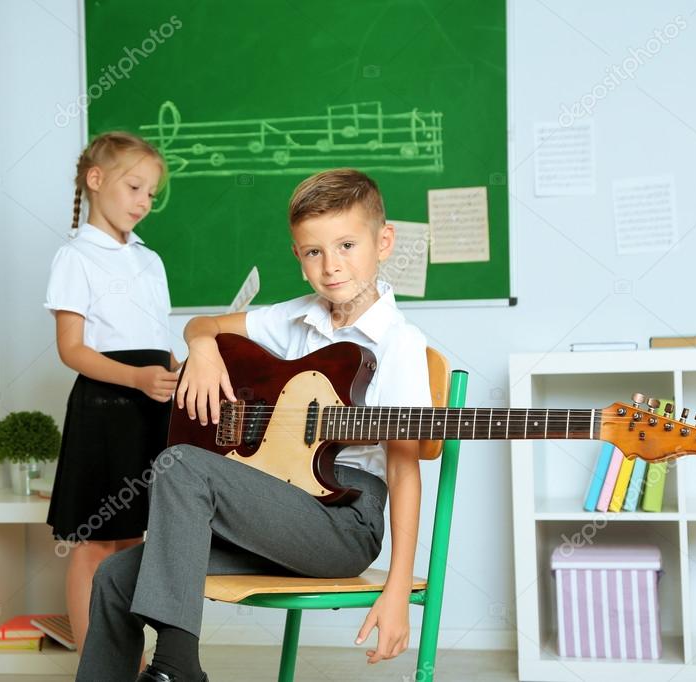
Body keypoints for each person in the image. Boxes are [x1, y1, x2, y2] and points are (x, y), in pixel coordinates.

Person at [77, 168, 431, 682]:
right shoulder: (296, 317)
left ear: (384, 242)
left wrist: (397, 590)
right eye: (313, 252)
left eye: (347, 245)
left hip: (342, 522)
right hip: (274, 507)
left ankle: (176, 667)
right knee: (113, 575)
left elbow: (403, 473)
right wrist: (201, 349)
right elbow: (204, 325)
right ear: (297, 255)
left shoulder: (400, 343)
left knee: (181, 464)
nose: (331, 266)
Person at [44, 131, 180, 653]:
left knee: (135, 538)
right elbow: (72, 350)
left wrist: (173, 368)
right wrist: (138, 379)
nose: (144, 202)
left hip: (151, 409)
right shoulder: (75, 256)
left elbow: (153, 340)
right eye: (135, 187)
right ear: (96, 181)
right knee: (96, 541)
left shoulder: (150, 260)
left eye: (151, 193)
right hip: (105, 409)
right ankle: (92, 661)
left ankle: (125, 656)